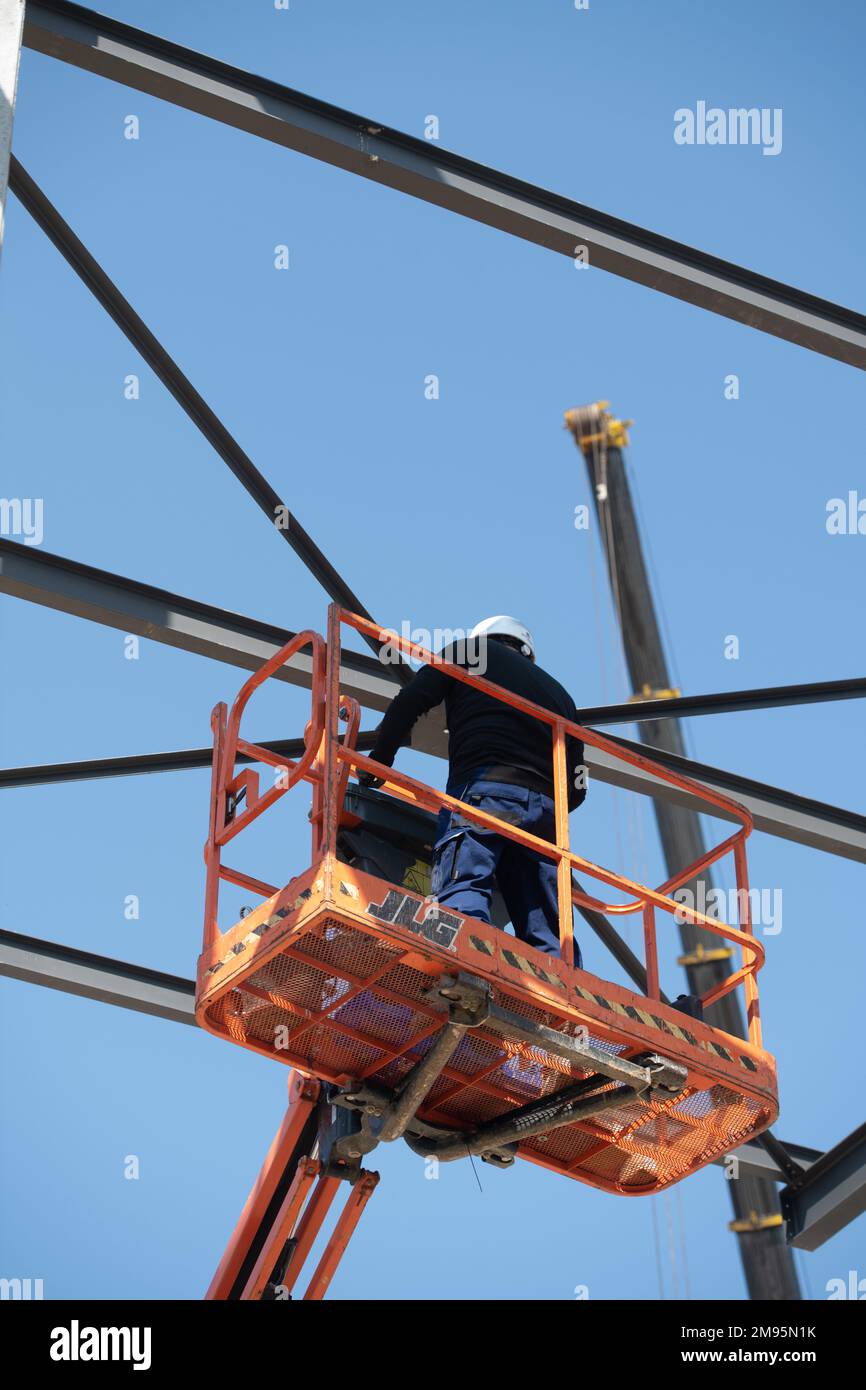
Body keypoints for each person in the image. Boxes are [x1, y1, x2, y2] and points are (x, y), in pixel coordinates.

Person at [359, 616, 586, 962]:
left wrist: (380, 760)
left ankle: (469, 964)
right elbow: (578, 787)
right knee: (543, 918)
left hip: (485, 789)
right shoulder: (562, 697)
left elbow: (411, 700)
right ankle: (557, 997)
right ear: (527, 652)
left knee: (463, 883)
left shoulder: (470, 651)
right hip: (545, 814)